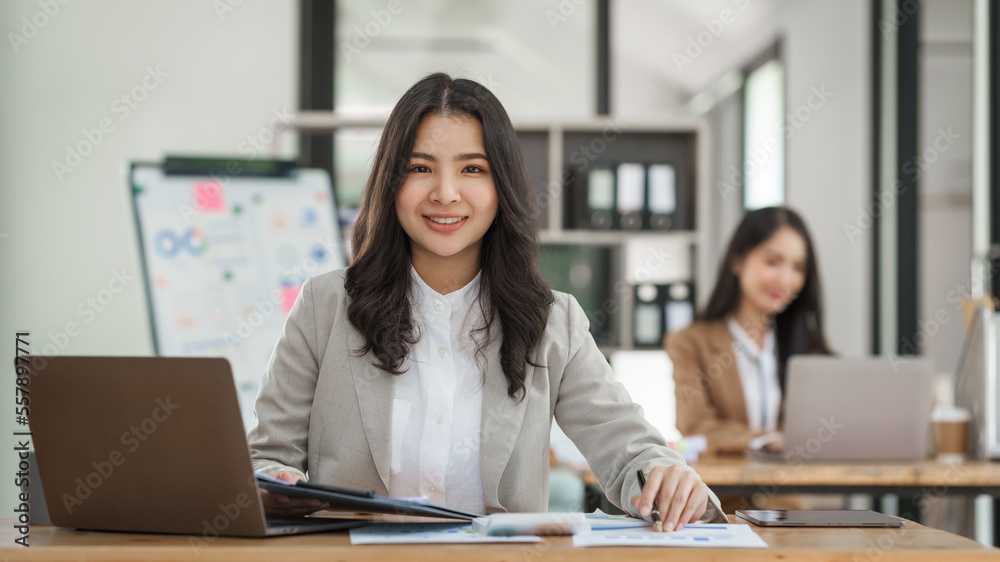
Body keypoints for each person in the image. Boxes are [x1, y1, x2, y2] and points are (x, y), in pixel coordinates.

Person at [248, 73, 725, 530]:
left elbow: (630, 453)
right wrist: (276, 482)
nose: (446, 193)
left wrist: (666, 477)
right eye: (420, 168)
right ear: (391, 183)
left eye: (472, 169)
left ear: (502, 187)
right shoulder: (324, 305)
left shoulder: (552, 322)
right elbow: (266, 456)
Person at [668, 207, 831, 454]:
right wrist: (764, 441)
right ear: (738, 260)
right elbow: (695, 426)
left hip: (792, 490)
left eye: (798, 268)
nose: (785, 279)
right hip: (721, 490)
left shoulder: (810, 346)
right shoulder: (690, 342)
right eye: (773, 262)